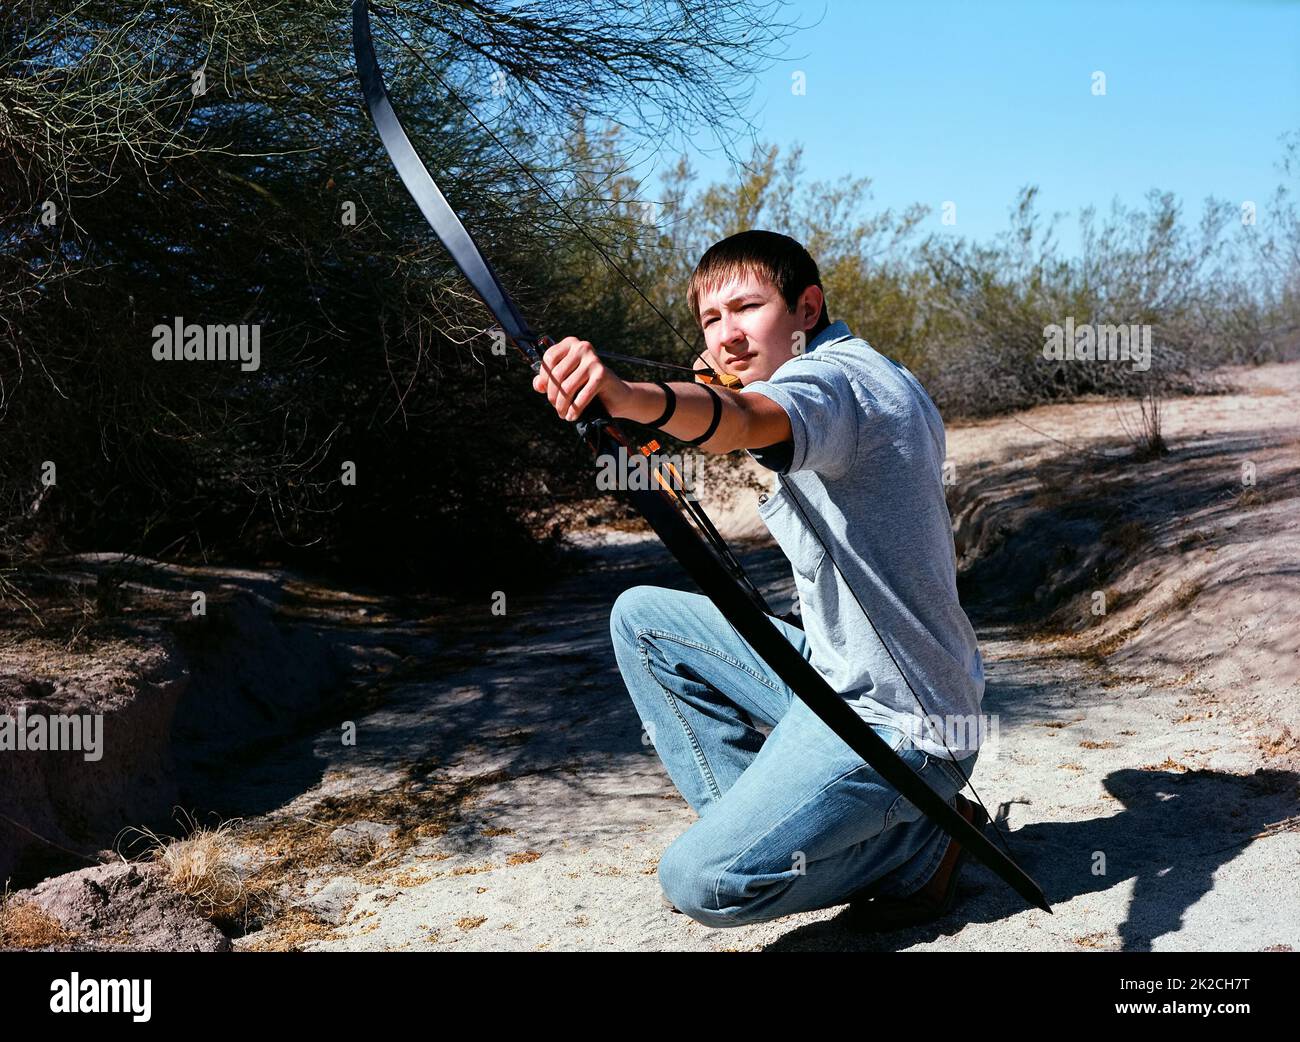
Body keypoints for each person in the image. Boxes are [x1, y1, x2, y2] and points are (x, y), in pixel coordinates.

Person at [530, 229, 989, 930]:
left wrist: (626, 395)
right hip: (841, 678)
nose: (727, 337)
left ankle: (917, 846)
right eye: (711, 320)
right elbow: (732, 411)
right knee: (642, 619)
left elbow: (744, 419)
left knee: (702, 879)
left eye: (747, 309)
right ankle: (807, 818)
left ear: (807, 307)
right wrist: (652, 417)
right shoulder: (858, 370)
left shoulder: (837, 384)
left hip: (901, 723)